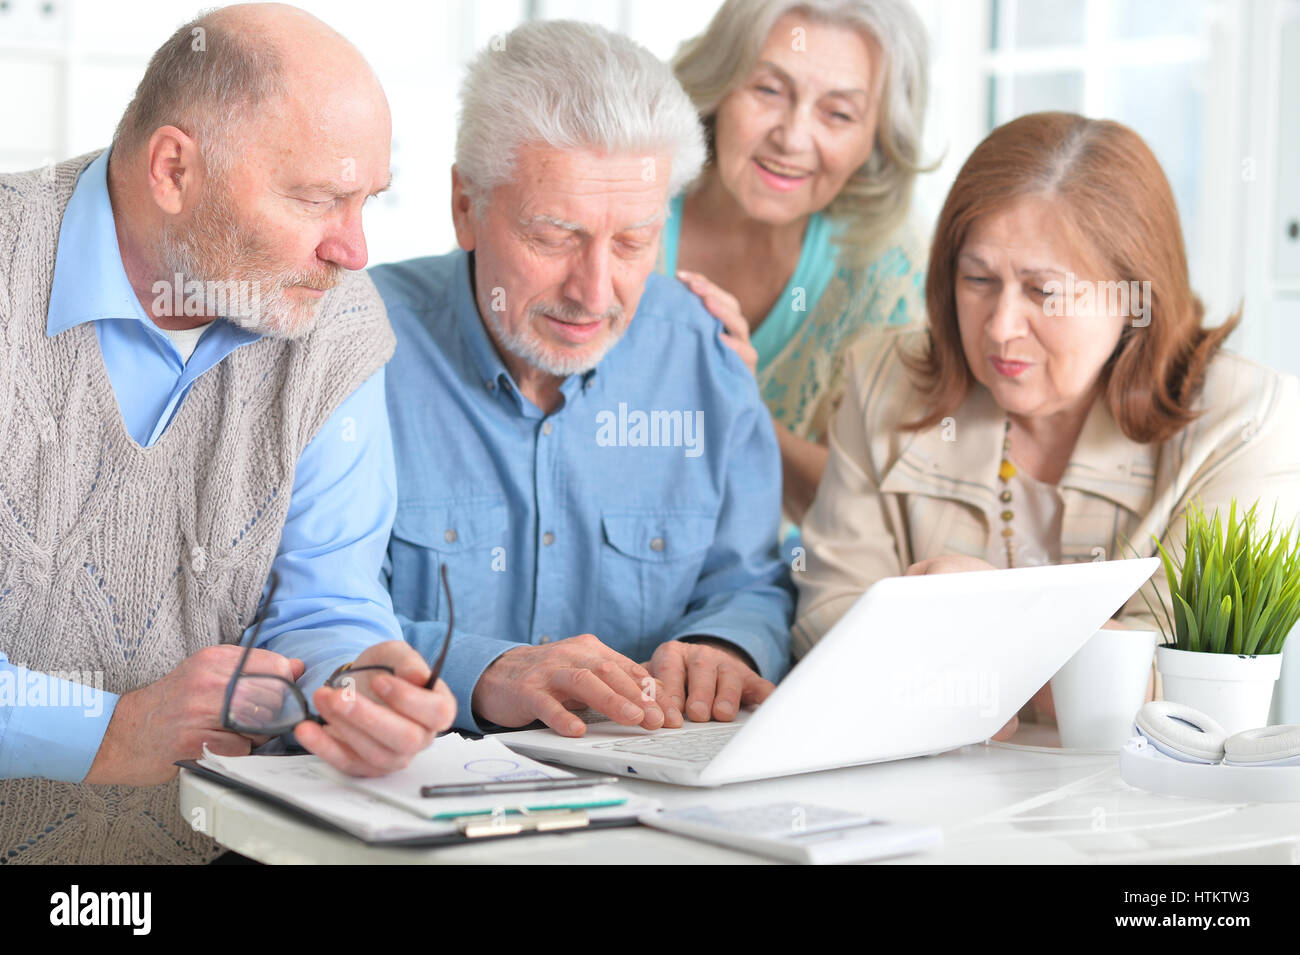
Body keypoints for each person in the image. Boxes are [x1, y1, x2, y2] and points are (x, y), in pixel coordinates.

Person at [0, 4, 455, 865]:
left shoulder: (335, 320)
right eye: (317, 198)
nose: (353, 249)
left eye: (368, 201)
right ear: (174, 168)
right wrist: (106, 729)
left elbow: (325, 600)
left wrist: (359, 685)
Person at [793, 111, 1300, 732]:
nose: (1002, 327)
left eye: (1045, 292)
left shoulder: (1246, 419)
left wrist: (988, 626)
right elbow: (826, 620)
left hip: (1153, 808)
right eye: (978, 279)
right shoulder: (881, 379)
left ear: (1133, 295)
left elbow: (1189, 690)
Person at [373, 20, 793, 738]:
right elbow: (307, 614)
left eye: (633, 241)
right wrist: (484, 671)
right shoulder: (359, 352)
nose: (595, 293)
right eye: (555, 236)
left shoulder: (704, 354)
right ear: (465, 206)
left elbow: (751, 582)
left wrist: (724, 645)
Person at [666, 0, 931, 522]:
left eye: (838, 113)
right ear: (718, 85)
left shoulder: (885, 266)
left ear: (876, 138)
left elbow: (877, 508)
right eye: (768, 90)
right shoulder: (632, 199)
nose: (791, 137)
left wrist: (738, 403)